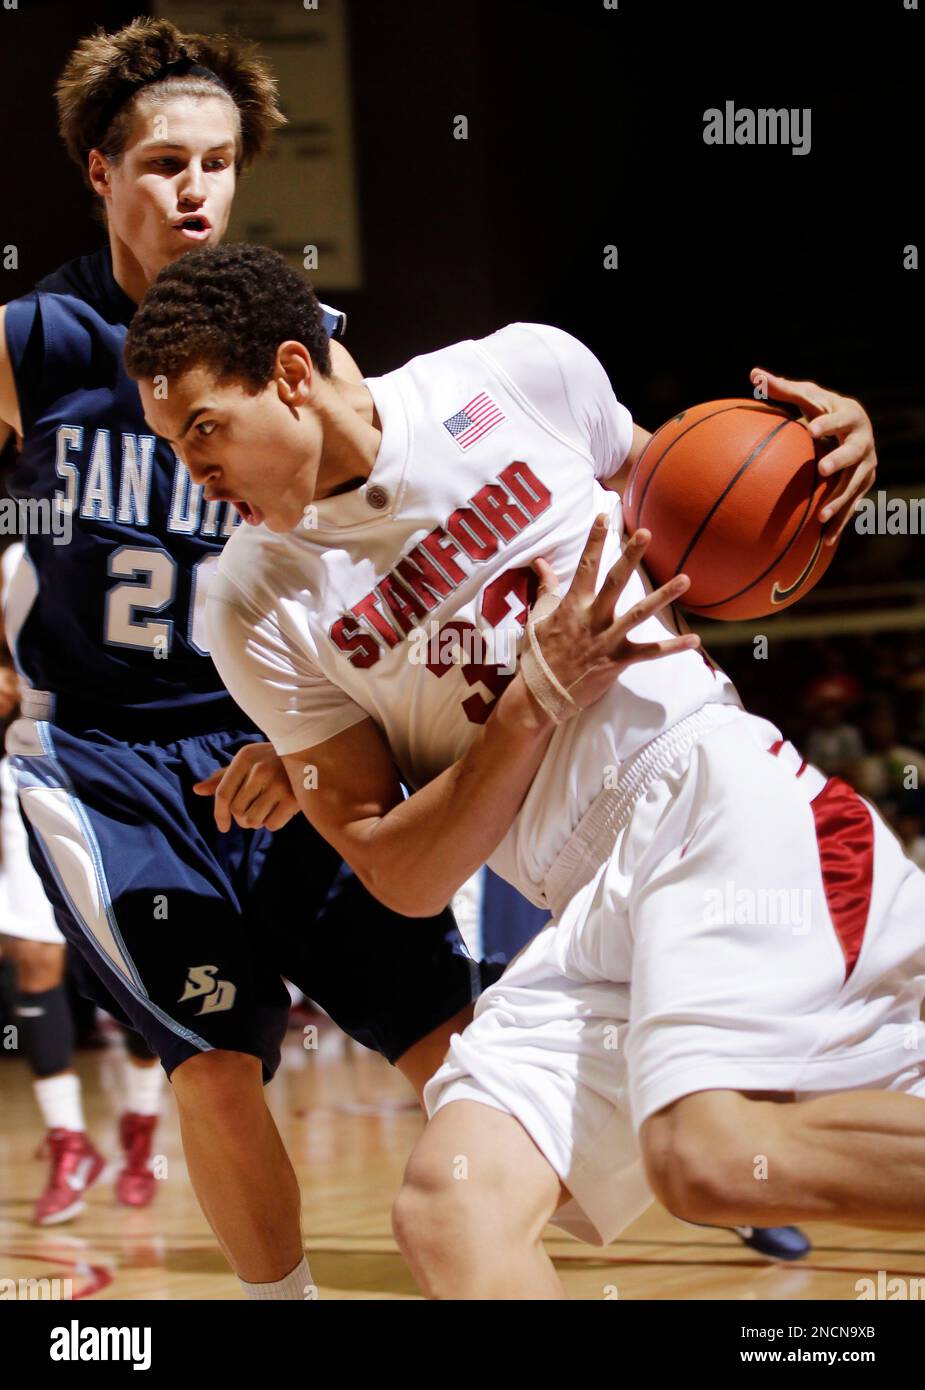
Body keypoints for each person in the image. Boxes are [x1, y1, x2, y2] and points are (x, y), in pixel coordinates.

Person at [125, 243, 908, 1301]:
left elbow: (705, 510)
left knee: (710, 1157)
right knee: (449, 1210)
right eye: (173, 445)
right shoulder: (250, 600)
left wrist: (812, 468)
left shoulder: (519, 376)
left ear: (294, 375)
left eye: (204, 430)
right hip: (580, 908)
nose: (194, 475)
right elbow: (400, 875)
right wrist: (534, 692)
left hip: (707, 806)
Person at [0, 18, 499, 1299]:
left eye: (218, 164)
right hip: (107, 760)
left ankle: (649, 1186)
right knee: (218, 1053)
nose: (197, 191)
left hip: (276, 736)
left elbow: (386, 533)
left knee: (457, 1042)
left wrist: (340, 732)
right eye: (165, 162)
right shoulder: (36, 338)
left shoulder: (296, 338)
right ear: (100, 171)